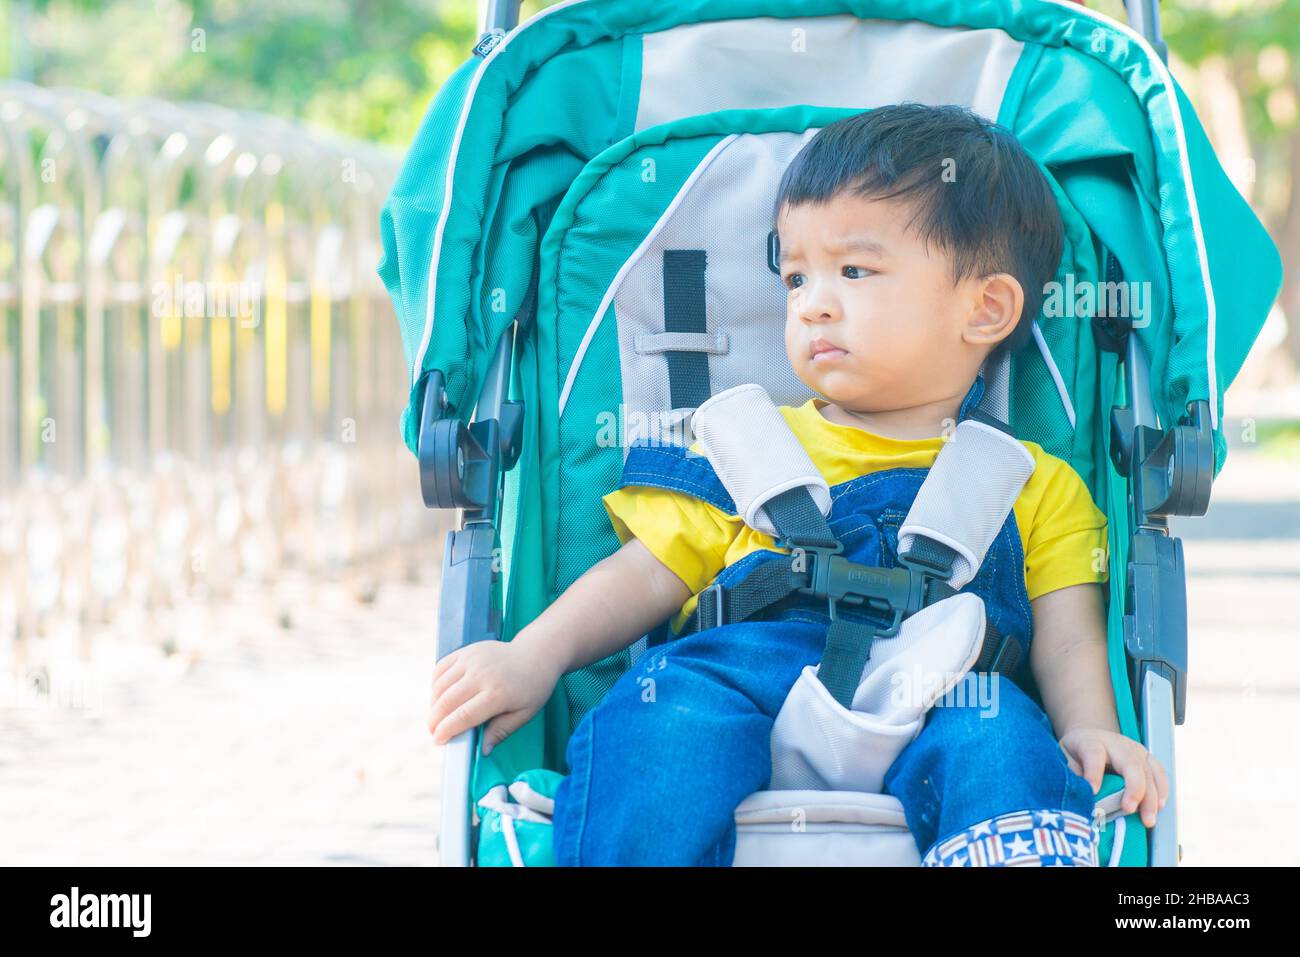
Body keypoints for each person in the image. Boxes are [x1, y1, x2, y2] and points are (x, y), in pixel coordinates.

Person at [427, 103, 1169, 867]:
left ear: (986, 308)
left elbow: (1071, 633)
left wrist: (1090, 724)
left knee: (1007, 741)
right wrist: (533, 656)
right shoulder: (744, 446)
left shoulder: (1029, 483)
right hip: (739, 678)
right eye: (794, 277)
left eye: (854, 270)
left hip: (947, 697)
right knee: (658, 721)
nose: (811, 301)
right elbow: (642, 574)